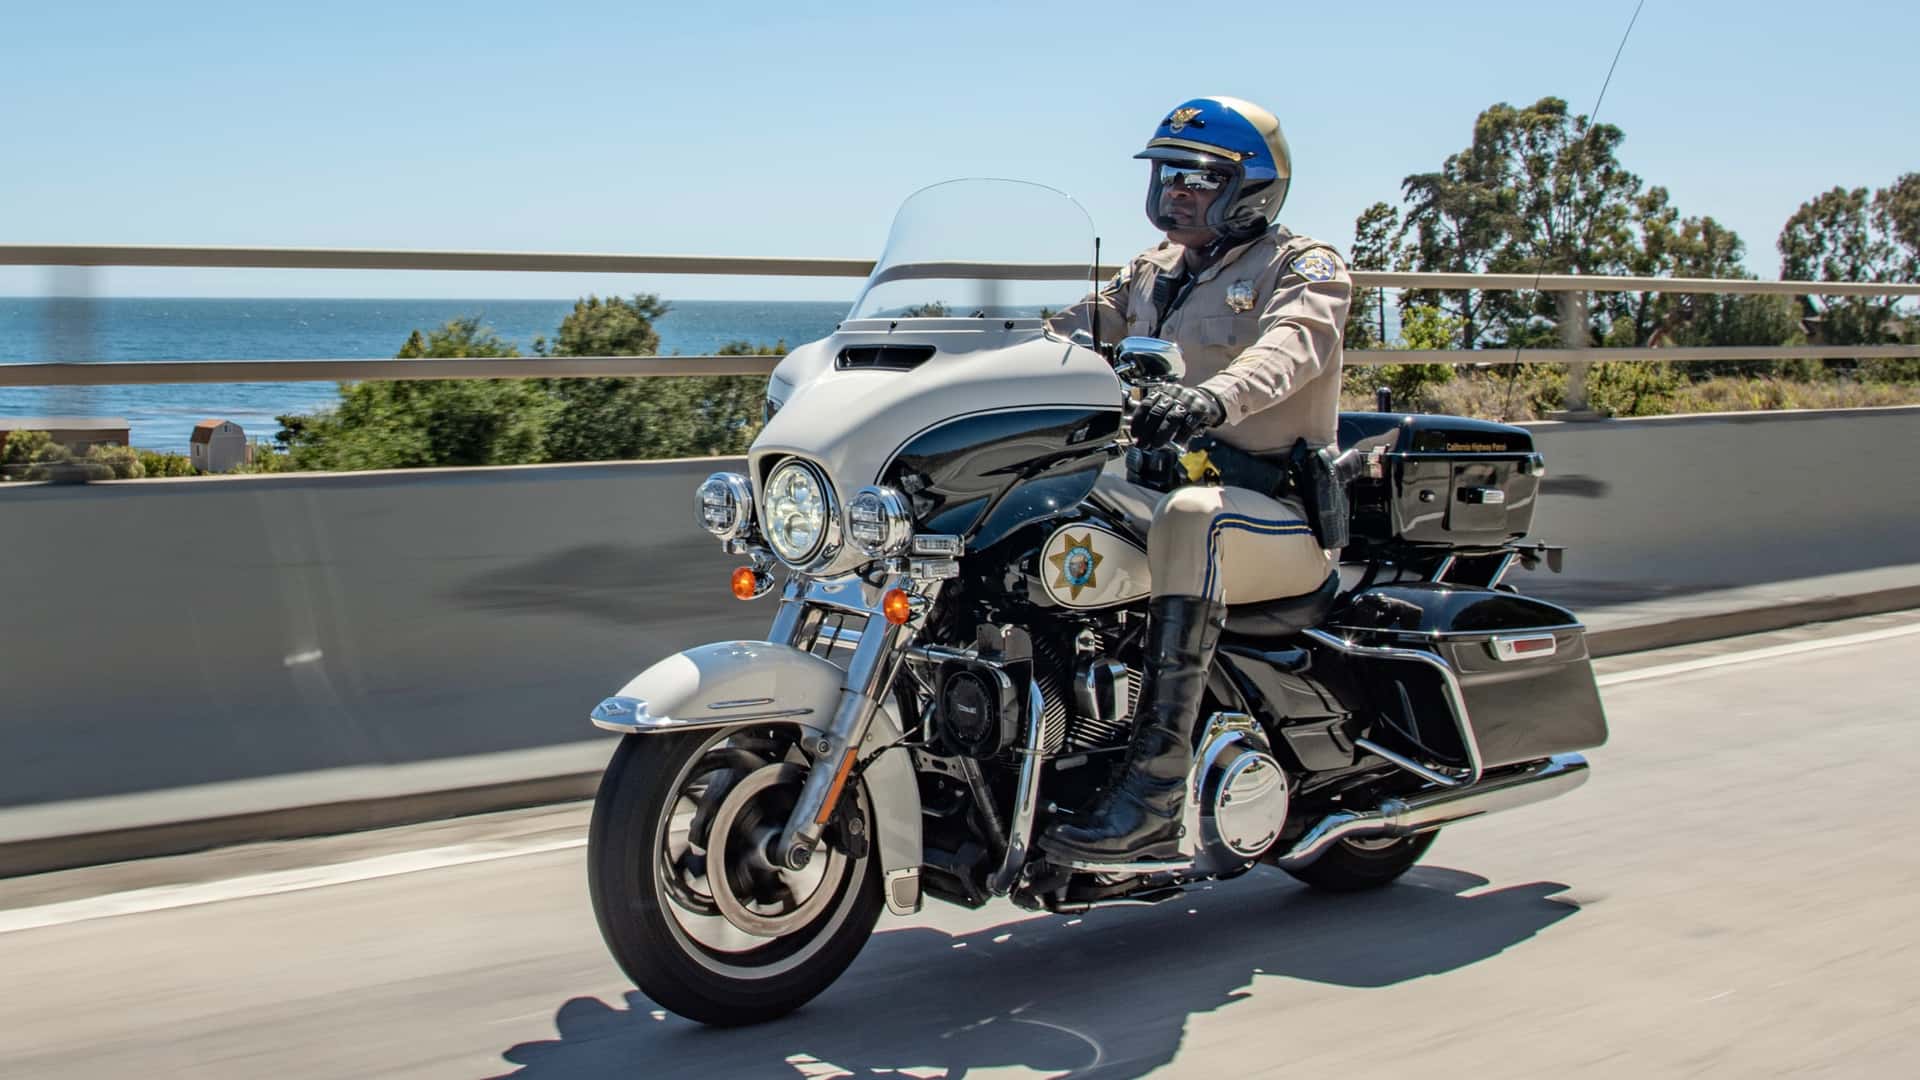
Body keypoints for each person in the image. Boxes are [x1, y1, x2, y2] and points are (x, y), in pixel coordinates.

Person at [1042, 95, 1353, 865]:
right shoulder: (1150, 274)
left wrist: (1213, 398)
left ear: (1249, 188)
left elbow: (1293, 346)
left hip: (1272, 513)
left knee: (1192, 518)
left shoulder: (1303, 268)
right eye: (1168, 173)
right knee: (1042, 509)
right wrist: (956, 354)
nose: (1176, 189)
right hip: (1160, 488)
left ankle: (1152, 795)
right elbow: (1064, 330)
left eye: (1199, 177)